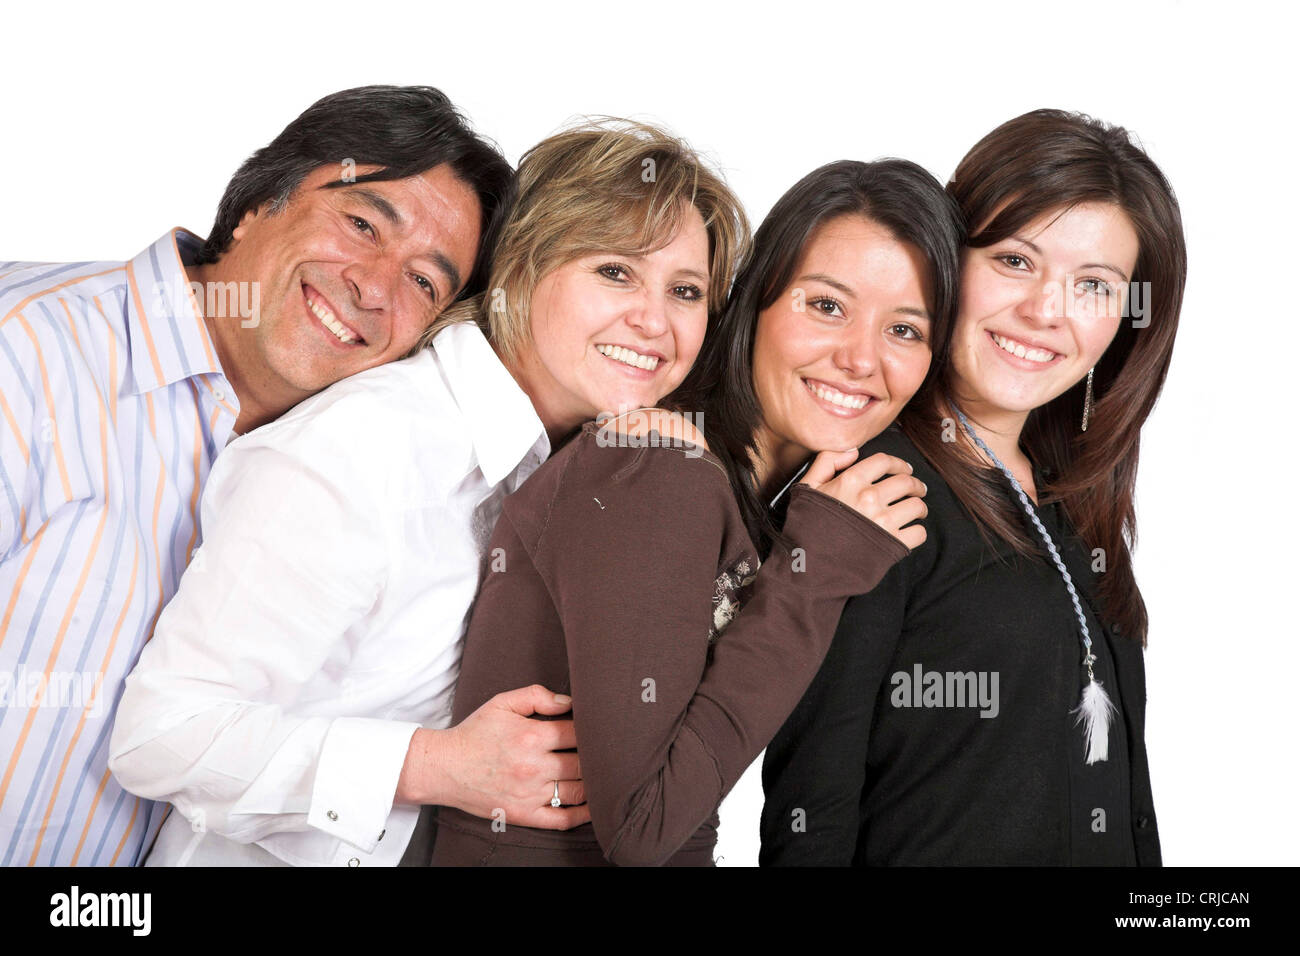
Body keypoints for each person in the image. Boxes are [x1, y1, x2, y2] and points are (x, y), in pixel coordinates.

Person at [108, 120, 749, 866]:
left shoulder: (579, 459)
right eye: (614, 272)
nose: (654, 320)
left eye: (686, 292)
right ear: (523, 266)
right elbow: (160, 735)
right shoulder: (367, 446)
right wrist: (433, 766)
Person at [0, 85, 517, 866]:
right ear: (254, 202)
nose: (374, 287)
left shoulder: (348, 468)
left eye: (424, 282)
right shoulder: (28, 354)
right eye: (362, 224)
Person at [426, 157, 965, 865]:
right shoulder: (659, 471)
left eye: (905, 331)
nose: (861, 359)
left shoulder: (745, 493)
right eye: (826, 306)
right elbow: (646, 829)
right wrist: (816, 574)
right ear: (752, 302)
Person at [760, 109, 1187, 866]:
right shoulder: (875, 494)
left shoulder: (1069, 497)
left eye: (1094, 285)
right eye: (1015, 262)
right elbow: (810, 813)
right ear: (949, 261)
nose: (1045, 311)